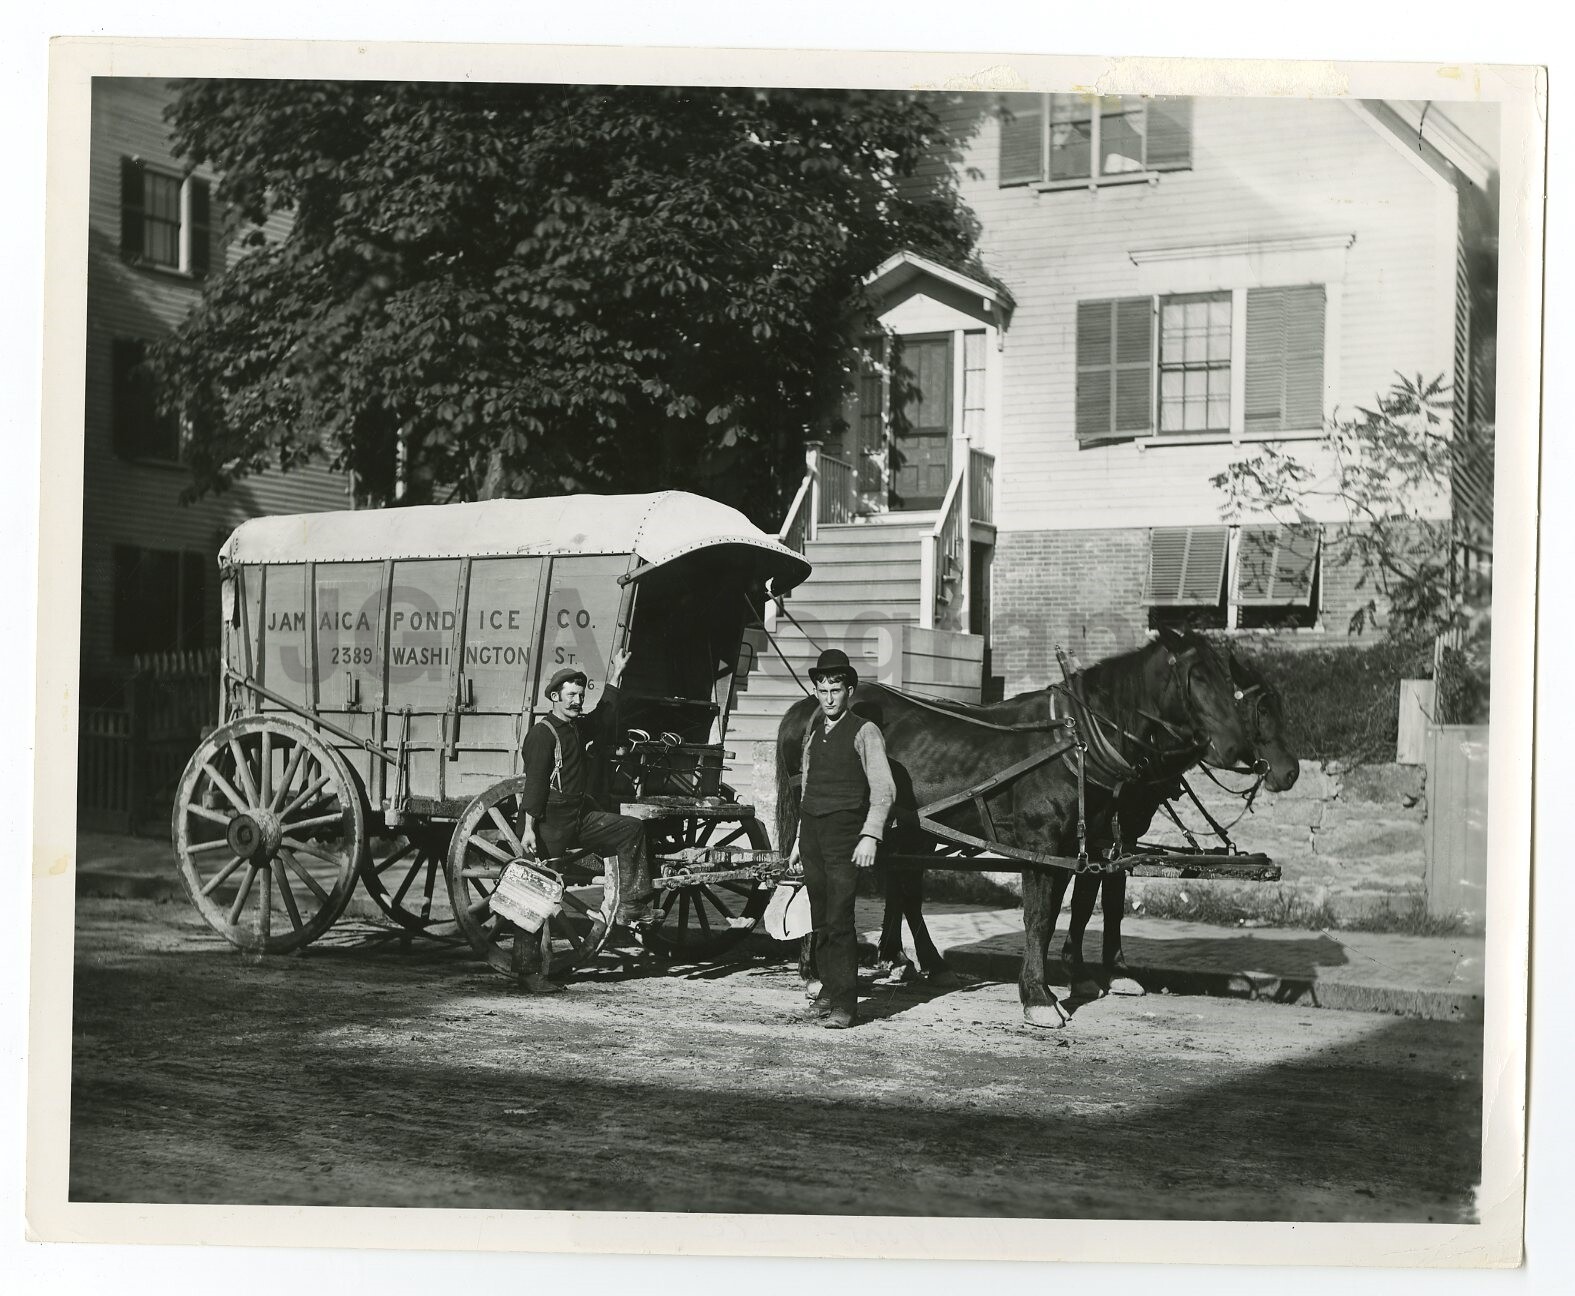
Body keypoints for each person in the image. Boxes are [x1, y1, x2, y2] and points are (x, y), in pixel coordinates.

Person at [515, 648, 660, 991]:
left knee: (631, 829)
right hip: (549, 822)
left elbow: (604, 716)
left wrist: (615, 675)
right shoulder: (543, 734)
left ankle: (630, 905)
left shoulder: (577, 727)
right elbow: (533, 784)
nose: (578, 701)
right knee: (535, 894)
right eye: (571, 696)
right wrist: (528, 829)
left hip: (579, 817)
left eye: (580, 695)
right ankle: (527, 973)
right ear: (554, 697)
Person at [788, 648, 896, 1029]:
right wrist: (799, 842)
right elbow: (807, 792)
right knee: (820, 920)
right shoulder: (814, 734)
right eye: (822, 690)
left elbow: (884, 789)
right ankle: (829, 993)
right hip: (813, 834)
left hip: (845, 836)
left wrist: (870, 835)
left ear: (849, 690)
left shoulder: (865, 732)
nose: (829, 697)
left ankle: (846, 1006)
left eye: (836, 689)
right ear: (815, 692)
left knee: (840, 919)